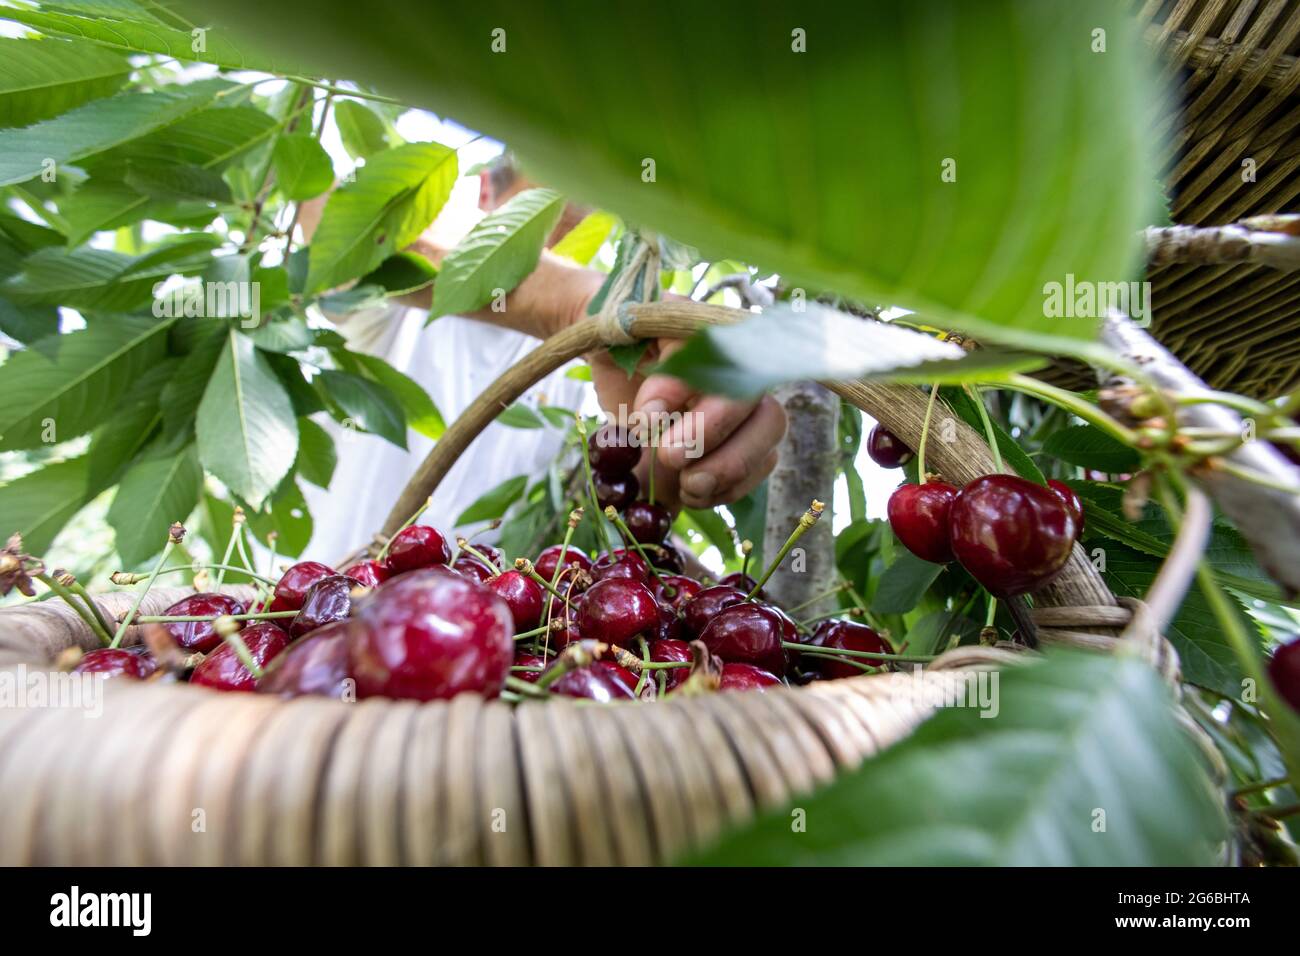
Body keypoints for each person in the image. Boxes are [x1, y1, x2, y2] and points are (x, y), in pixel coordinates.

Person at [297, 156, 787, 563]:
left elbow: (635, 498)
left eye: (572, 230)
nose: (558, 254)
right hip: (318, 631)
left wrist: (685, 435)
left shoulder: (585, 376)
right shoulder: (395, 314)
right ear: (484, 191)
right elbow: (336, 221)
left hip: (469, 659)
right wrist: (573, 303)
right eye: (530, 215)